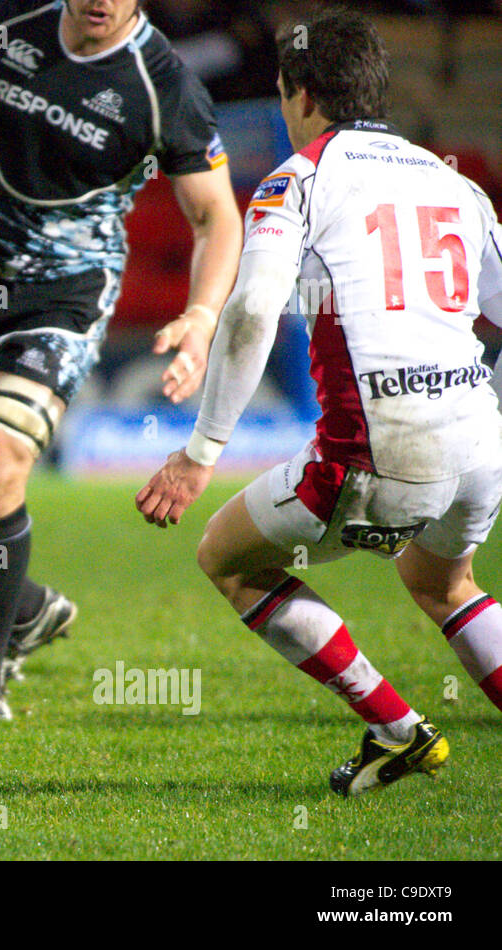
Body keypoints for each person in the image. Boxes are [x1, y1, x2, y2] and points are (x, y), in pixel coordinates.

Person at [136, 8, 502, 796]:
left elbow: (252, 310)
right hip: (479, 441)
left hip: (380, 445)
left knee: (226, 557)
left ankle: (398, 731)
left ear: (299, 94)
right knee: (444, 583)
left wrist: (200, 455)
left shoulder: (297, 179)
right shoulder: (455, 181)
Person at [0, 0, 242, 717]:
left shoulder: (164, 84)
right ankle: (22, 607)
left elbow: (215, 216)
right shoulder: (1, 22)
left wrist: (202, 318)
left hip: (67, 289)